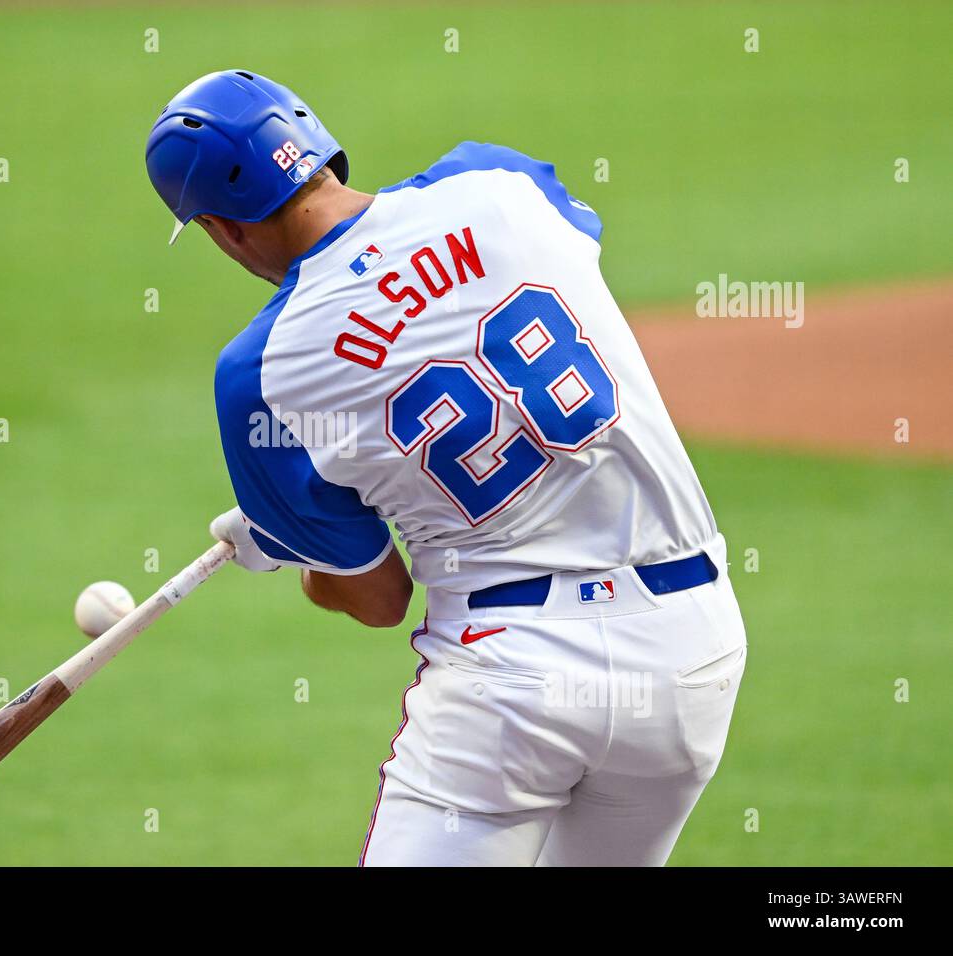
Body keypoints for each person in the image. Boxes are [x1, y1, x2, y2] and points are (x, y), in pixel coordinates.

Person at [145, 70, 747, 866]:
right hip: (690, 655)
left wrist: (297, 548)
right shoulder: (496, 182)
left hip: (511, 688)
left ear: (224, 230)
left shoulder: (260, 371)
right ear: (321, 149)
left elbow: (377, 598)